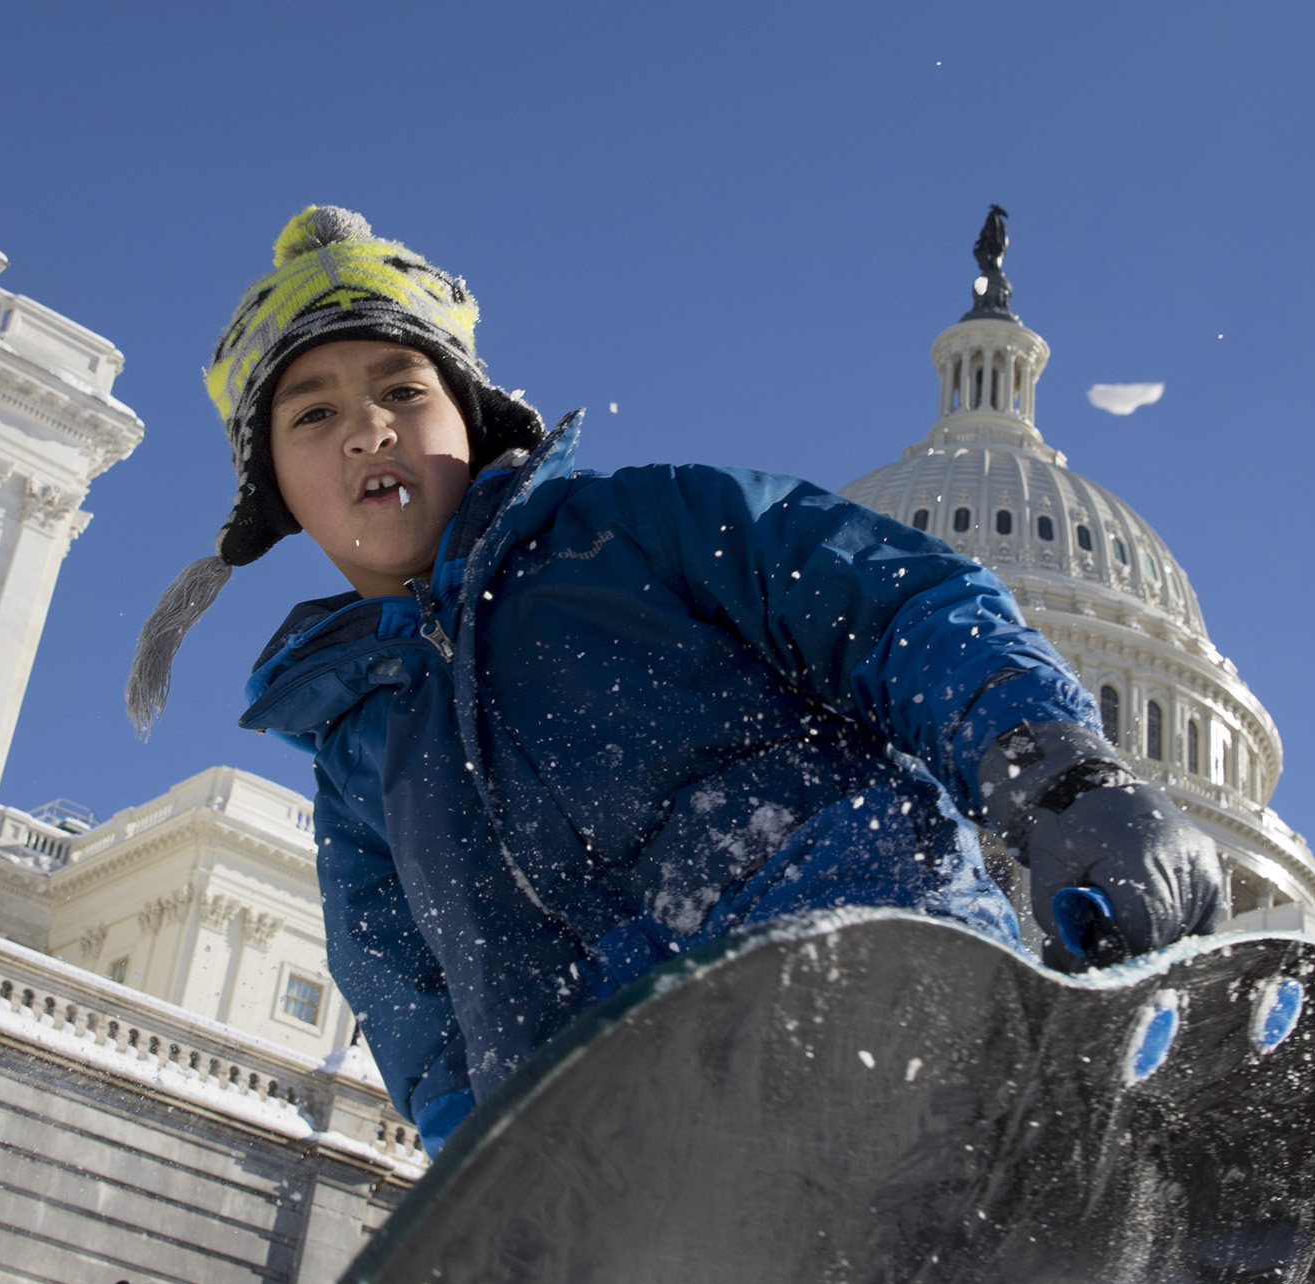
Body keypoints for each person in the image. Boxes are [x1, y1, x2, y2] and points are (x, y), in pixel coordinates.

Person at [125, 207, 1227, 1155]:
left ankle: (1071, 1151)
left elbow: (896, 608)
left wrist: (1058, 775)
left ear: (472, 416)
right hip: (638, 1150)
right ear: (274, 493)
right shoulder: (358, 756)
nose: (368, 424)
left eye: (403, 388)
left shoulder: (644, 529)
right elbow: (411, 1008)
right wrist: (486, 1170)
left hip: (875, 989)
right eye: (314, 412)